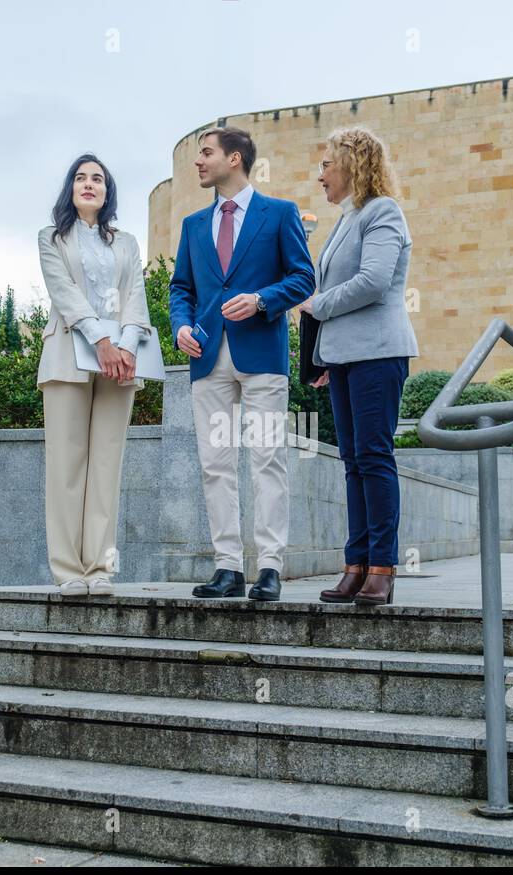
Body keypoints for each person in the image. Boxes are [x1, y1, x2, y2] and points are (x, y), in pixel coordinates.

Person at [169, 127, 315, 601]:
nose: (198, 162)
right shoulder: (193, 225)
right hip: (208, 358)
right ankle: (228, 567)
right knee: (216, 464)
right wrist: (180, 326)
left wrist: (261, 300)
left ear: (235, 159)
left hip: (263, 359)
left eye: (206, 153)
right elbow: (182, 289)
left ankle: (269, 566)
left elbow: (302, 278)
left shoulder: (279, 213)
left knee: (267, 459)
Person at [300, 126, 418, 607]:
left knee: (373, 457)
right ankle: (355, 563)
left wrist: (317, 307)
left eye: (327, 164)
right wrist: (326, 354)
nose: (320, 174)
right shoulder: (347, 219)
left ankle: (382, 567)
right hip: (346, 359)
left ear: (351, 164)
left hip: (378, 354)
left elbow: (372, 282)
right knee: (352, 463)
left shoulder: (383, 212)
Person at [36, 154, 153, 596]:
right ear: (70, 188)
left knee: (107, 464)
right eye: (81, 178)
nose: (89, 184)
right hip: (68, 355)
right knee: (67, 465)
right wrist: (101, 341)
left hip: (120, 361)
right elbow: (63, 292)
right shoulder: (51, 238)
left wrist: (125, 345)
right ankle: (68, 570)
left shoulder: (126, 242)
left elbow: (135, 296)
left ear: (108, 192)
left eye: (98, 179)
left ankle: (100, 568)